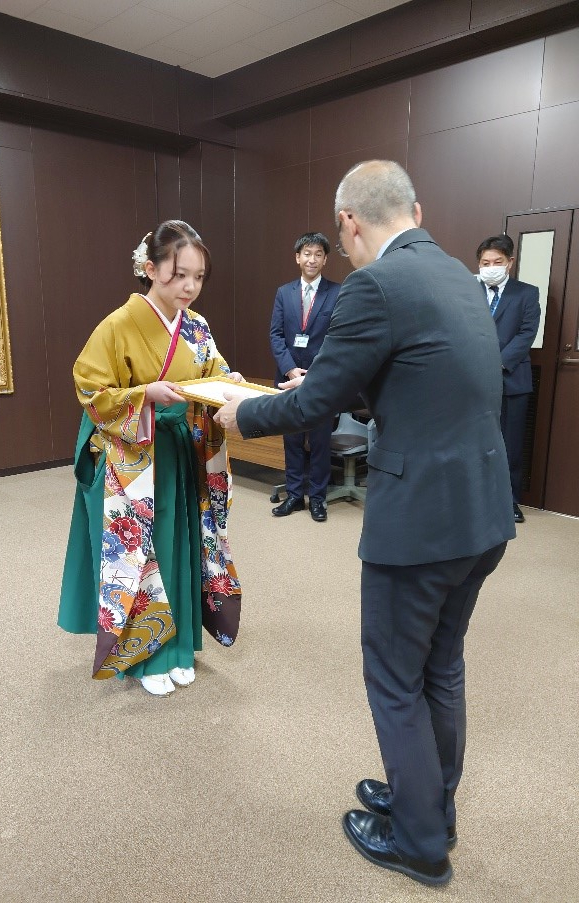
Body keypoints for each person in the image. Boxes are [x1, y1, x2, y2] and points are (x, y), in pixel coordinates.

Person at [215, 162, 515, 886]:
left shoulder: (374, 285)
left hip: (420, 522)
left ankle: (418, 842)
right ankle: (429, 804)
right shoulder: (452, 274)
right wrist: (334, 384)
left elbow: (315, 405)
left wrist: (240, 411)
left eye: (337, 235)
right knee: (439, 667)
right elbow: (426, 380)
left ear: (348, 222)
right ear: (415, 206)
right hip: (481, 510)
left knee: (394, 679)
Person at [58, 221, 242, 697]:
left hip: (178, 449)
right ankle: (145, 660)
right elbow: (89, 388)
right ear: (150, 267)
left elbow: (214, 371)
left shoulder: (196, 326)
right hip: (133, 454)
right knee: (144, 551)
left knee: (180, 542)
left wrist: (230, 382)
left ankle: (178, 649)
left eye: (198, 277)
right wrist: (144, 394)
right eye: (180, 274)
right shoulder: (118, 325)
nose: (190, 287)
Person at [269, 232, 340, 522]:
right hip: (288, 379)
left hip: (320, 381)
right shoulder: (284, 292)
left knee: (321, 441)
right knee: (293, 440)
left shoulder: (337, 292)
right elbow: (275, 335)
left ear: (325, 259)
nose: (312, 259)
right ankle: (296, 495)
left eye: (318, 254)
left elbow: (338, 338)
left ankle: (318, 499)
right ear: (297, 258)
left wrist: (315, 373)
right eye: (306, 253)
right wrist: (289, 368)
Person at [476, 234, 541, 523]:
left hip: (512, 379)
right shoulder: (468, 290)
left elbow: (527, 333)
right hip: (472, 380)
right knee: (474, 442)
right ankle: (475, 498)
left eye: (497, 262)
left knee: (510, 444)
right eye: (485, 262)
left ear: (510, 263)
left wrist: (498, 364)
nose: (491, 267)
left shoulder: (527, 293)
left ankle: (510, 501)